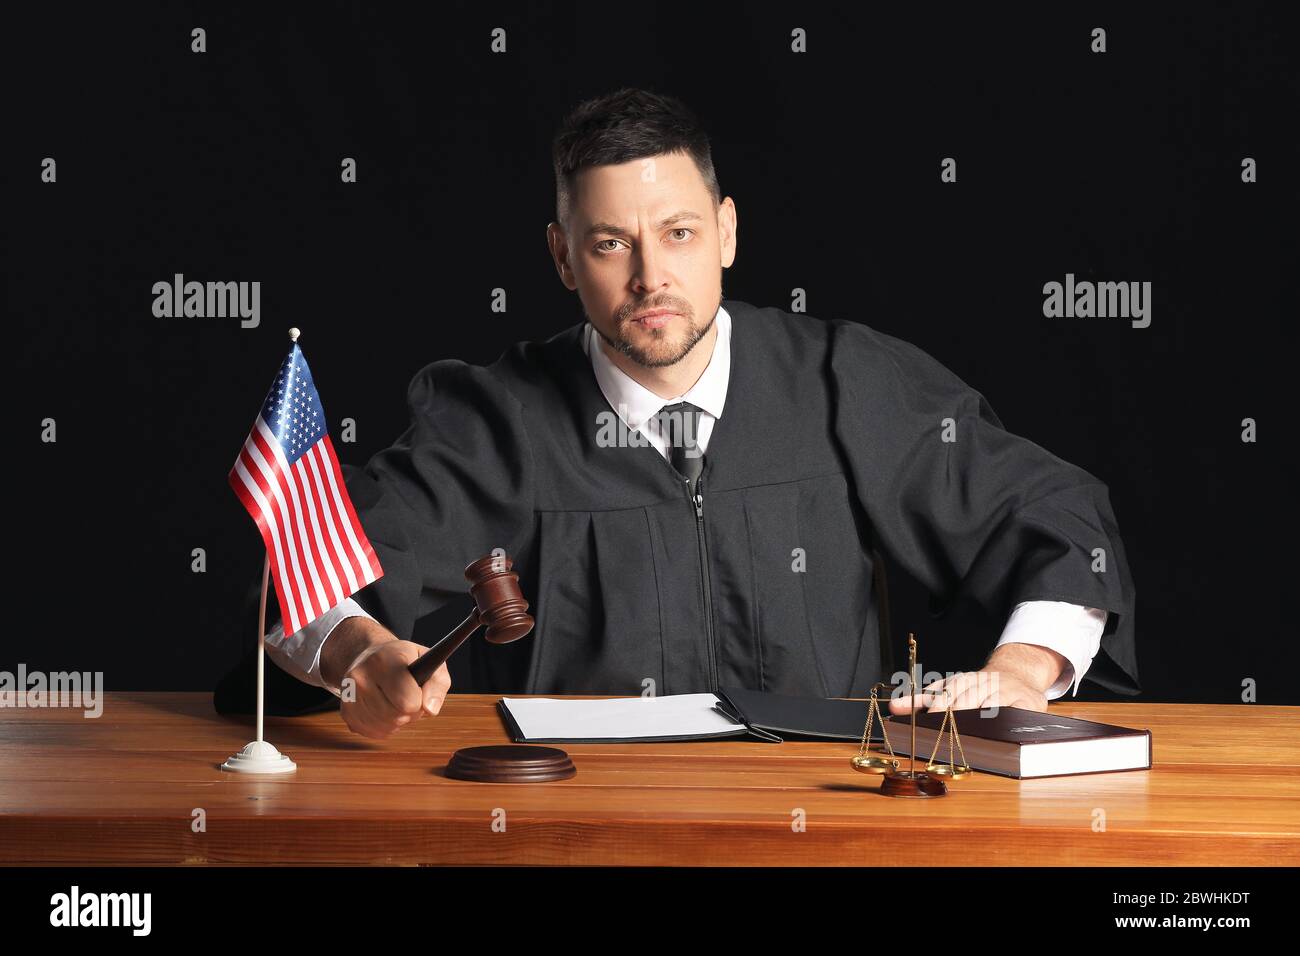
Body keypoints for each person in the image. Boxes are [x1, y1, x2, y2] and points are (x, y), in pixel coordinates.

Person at [260, 88, 1138, 739]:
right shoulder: (495, 419)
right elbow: (310, 578)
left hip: (826, 824)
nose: (651, 279)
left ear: (725, 232)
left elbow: (1058, 517)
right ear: (564, 258)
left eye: (678, 234)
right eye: (611, 245)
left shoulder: (842, 380)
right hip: (572, 830)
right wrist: (359, 655)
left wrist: (1025, 669)